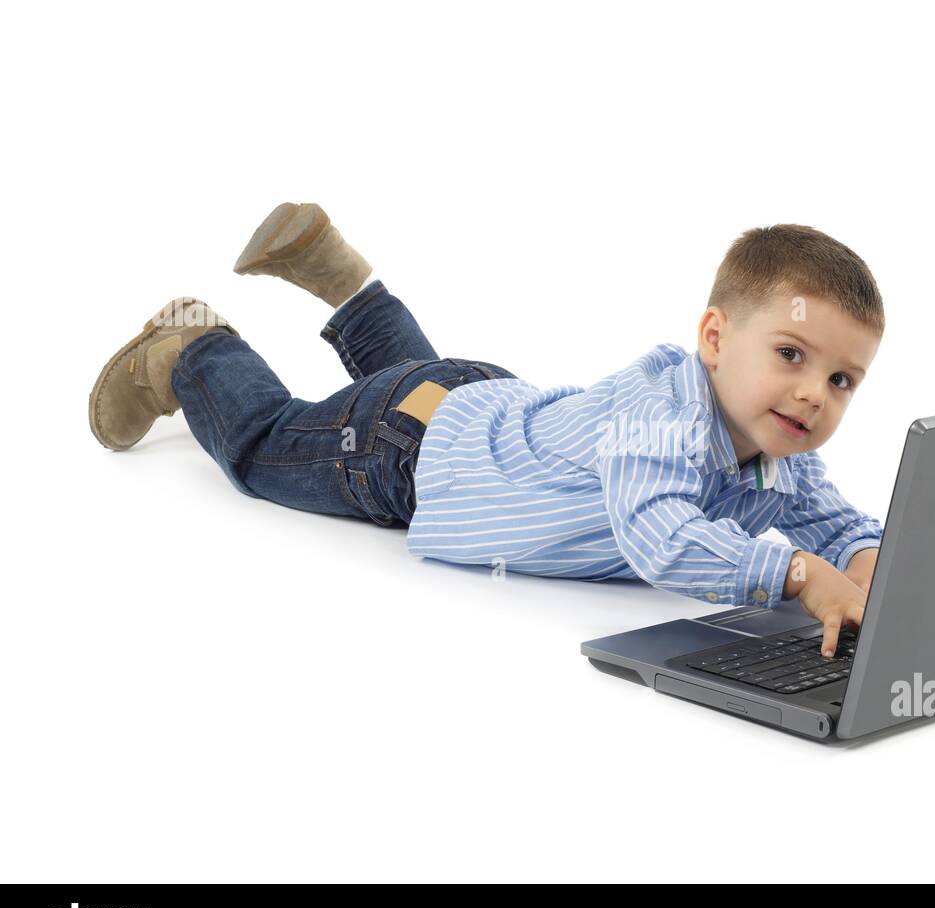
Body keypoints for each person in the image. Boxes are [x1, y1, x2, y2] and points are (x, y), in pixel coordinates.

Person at [88, 204, 886, 656]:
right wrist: (799, 577)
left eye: (841, 379)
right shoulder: (662, 414)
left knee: (418, 389)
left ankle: (348, 283)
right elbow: (656, 531)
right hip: (398, 457)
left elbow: (829, 518)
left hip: (475, 406)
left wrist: (870, 566)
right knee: (267, 446)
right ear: (714, 338)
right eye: (791, 354)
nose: (814, 394)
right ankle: (194, 346)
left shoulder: (775, 448)